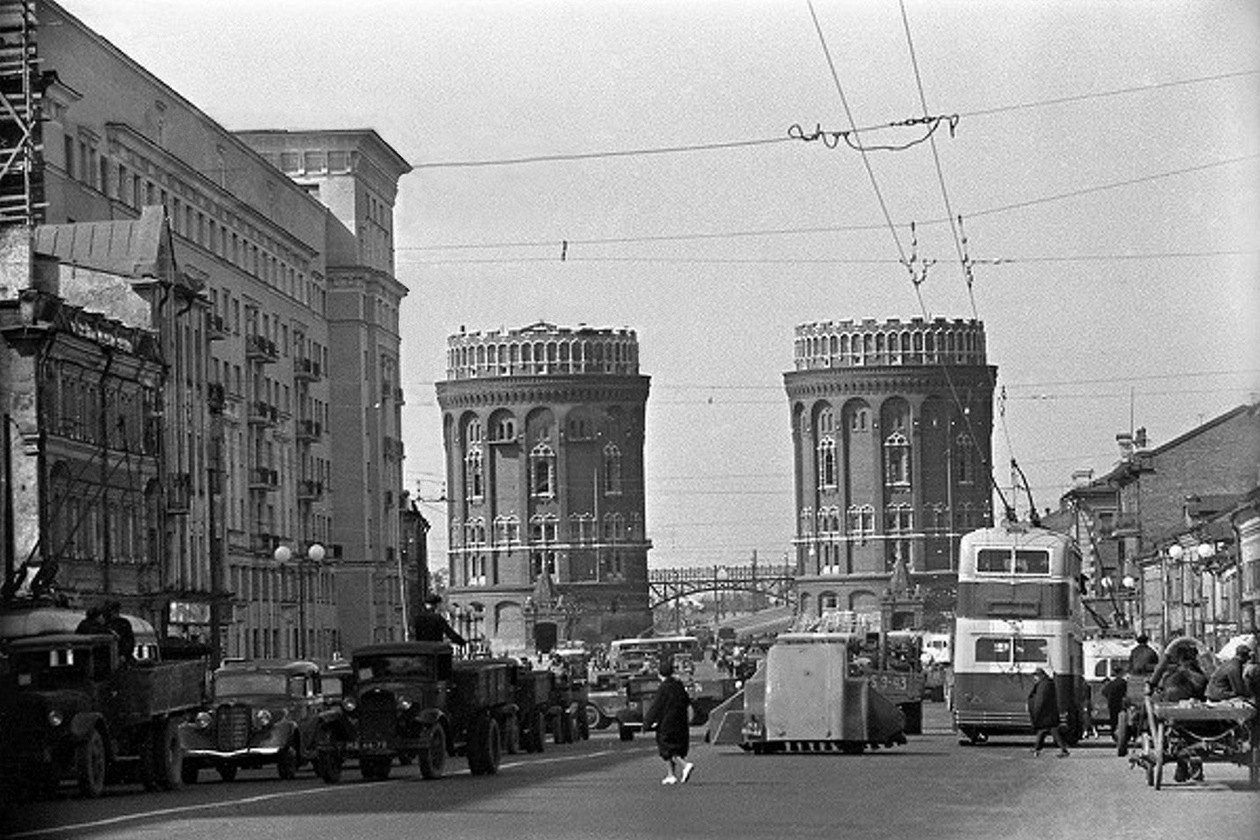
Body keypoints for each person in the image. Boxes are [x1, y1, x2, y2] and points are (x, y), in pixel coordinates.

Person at [643, 657, 694, 785]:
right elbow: (687, 701)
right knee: (676, 745)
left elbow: (656, 707)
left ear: (660, 674)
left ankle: (685, 765)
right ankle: (670, 775)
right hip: (681, 721)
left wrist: (647, 723)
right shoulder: (678, 685)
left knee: (667, 747)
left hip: (667, 722)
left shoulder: (663, 688)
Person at [1027, 668, 1069, 757]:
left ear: (1040, 676)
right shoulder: (1047, 683)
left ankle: (1063, 750)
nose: (1034, 678)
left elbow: (1040, 700)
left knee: (1047, 731)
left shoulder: (1043, 685)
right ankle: (1037, 749)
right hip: (1049, 713)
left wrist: (1036, 711)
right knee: (1046, 731)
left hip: (1046, 713)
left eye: (1036, 675)